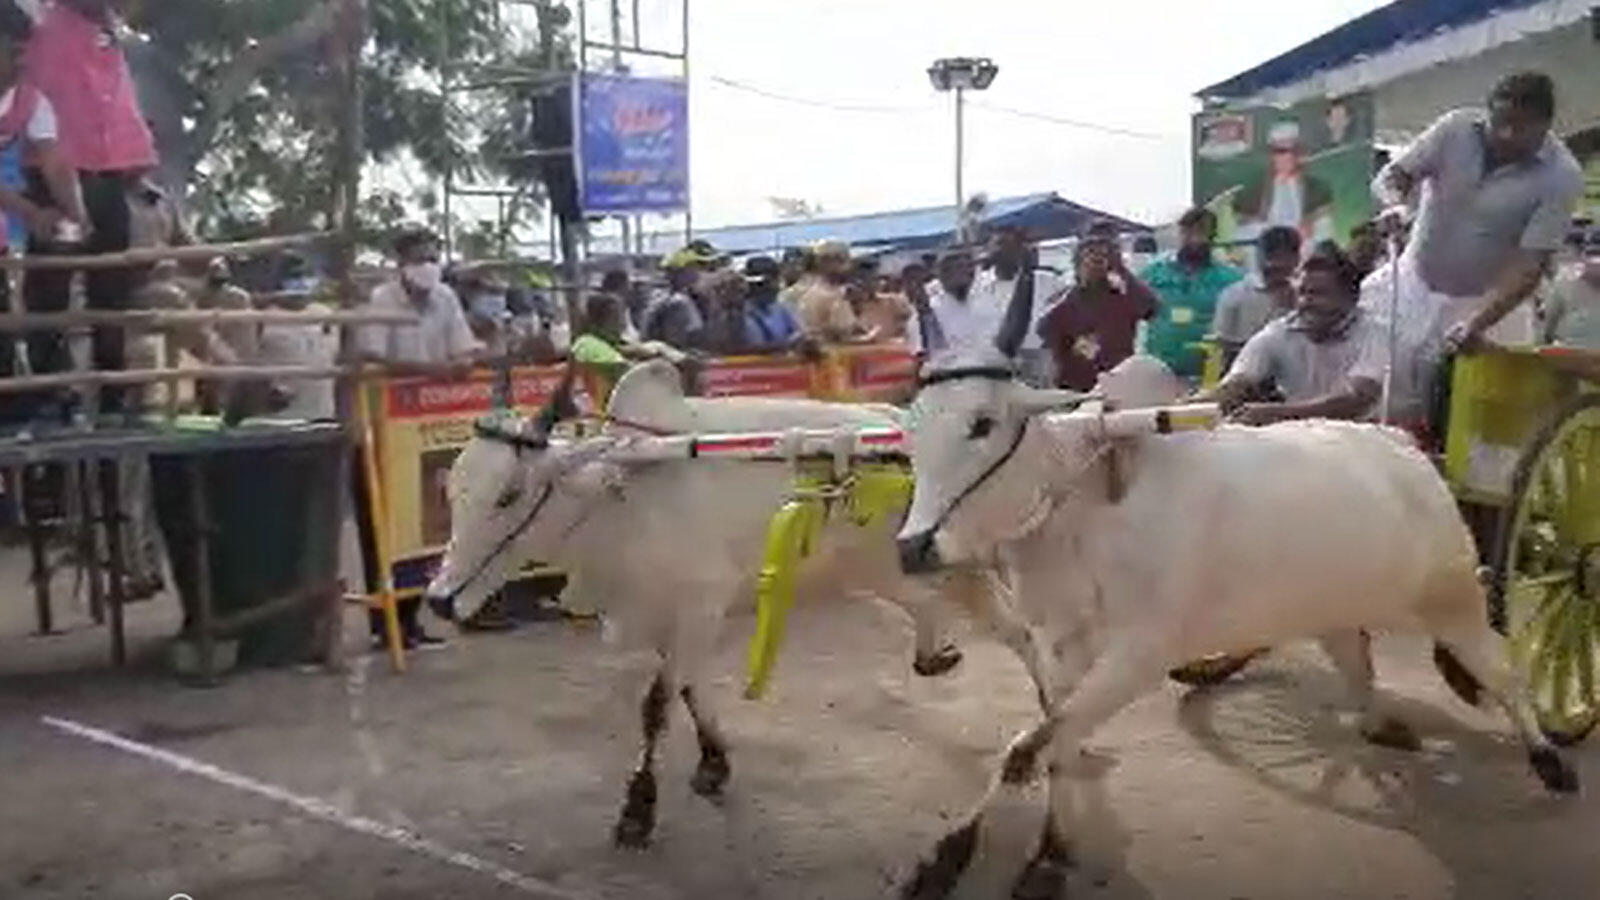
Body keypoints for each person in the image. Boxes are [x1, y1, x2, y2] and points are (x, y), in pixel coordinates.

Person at [1352, 70, 1585, 430]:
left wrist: (1477, 323)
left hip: (1489, 302)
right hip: (1412, 280)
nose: (1507, 136)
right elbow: (1394, 175)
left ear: (1546, 126)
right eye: (1500, 123)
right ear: (1487, 112)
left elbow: (1530, 267)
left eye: (1521, 128)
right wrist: (1395, 204)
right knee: (1381, 395)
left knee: (1479, 419)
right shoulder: (1454, 128)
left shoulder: (1562, 176)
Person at [18, 0, 161, 415]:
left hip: (109, 173)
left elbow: (118, 100)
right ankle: (49, 393)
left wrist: (138, 163)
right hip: (56, 173)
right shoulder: (43, 17)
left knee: (112, 287)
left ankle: (112, 395)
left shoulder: (112, 28)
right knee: (52, 281)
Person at [353, 227, 483, 650]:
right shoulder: (381, 302)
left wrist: (462, 364)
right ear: (400, 263)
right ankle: (386, 622)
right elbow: (372, 357)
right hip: (383, 430)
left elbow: (462, 349)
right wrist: (431, 372)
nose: (427, 265)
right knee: (385, 530)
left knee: (426, 526)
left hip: (428, 429)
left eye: (432, 256)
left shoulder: (445, 298)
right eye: (418, 258)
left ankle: (412, 617)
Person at [1204, 243, 1378, 426]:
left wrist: (1280, 413)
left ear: (1351, 297)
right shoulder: (1278, 333)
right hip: (1302, 439)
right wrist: (1184, 409)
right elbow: (1236, 385)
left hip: (1366, 439)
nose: (1306, 303)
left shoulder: (1375, 332)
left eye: (1319, 294)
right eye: (1302, 293)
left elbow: (1357, 400)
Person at [1037, 224, 1158, 391]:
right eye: (1090, 255)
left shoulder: (1123, 298)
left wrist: (1121, 269)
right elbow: (1043, 330)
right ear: (1077, 263)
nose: (1095, 261)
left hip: (1117, 386)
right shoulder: (1064, 299)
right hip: (1075, 389)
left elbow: (1152, 309)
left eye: (1102, 257)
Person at [1141, 207, 1244, 380]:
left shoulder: (1232, 279)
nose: (1196, 238)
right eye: (1190, 231)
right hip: (1158, 373)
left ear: (1213, 236)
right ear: (1180, 233)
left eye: (1203, 231)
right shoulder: (1153, 274)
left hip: (1209, 376)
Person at [976, 225, 1066, 384]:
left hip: (1038, 359)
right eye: (999, 244)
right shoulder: (977, 286)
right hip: (995, 364)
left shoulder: (1049, 281)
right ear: (989, 249)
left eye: (1010, 245)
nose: (1003, 251)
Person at [1211, 225, 1302, 369]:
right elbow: (1222, 348)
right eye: (1271, 256)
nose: (1276, 264)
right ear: (1260, 257)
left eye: (1284, 256)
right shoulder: (1234, 295)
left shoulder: (1305, 295)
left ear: (1296, 259)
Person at [1231, 119, 1335, 244]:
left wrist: (1311, 227)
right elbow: (1243, 226)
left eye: (1293, 151)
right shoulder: (1253, 190)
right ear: (1271, 155)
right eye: (1281, 152)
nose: (1288, 157)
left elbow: (1324, 225)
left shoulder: (1317, 189)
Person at [258, 259, 337, 421]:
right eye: (293, 278)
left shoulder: (325, 316)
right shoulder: (262, 320)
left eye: (305, 276)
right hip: (280, 421)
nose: (300, 284)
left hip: (323, 417)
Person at [792, 239, 865, 342]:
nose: (848, 267)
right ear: (827, 262)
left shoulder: (839, 292)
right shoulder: (825, 295)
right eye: (842, 260)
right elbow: (842, 334)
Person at [1542, 230, 1600, 349]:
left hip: (1577, 353)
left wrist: (1548, 337)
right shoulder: (1563, 281)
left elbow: (1550, 323)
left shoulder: (1564, 280)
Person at [739, 255, 800, 352]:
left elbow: (797, 333)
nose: (774, 287)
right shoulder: (738, 313)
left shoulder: (782, 309)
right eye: (764, 284)